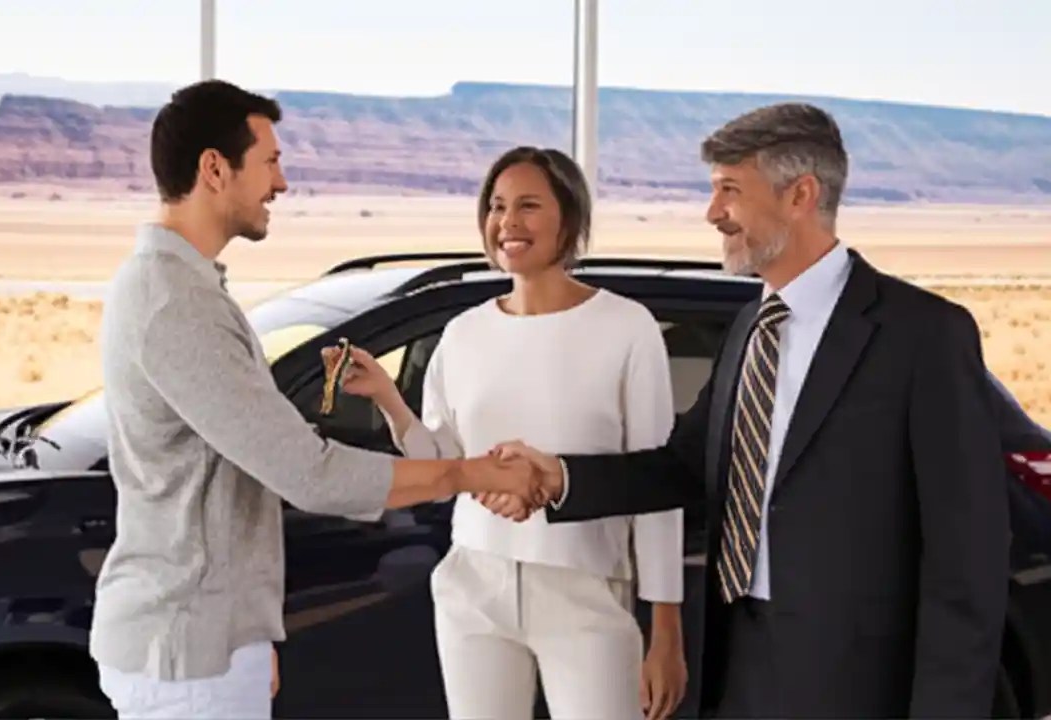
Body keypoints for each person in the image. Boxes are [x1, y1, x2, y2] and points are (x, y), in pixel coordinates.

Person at [488, 103, 1010, 718]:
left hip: (858, 687)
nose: (713, 213)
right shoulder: (750, 328)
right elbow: (687, 465)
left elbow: (965, 561)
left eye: (730, 191)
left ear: (800, 195)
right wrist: (561, 478)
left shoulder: (921, 334)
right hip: (741, 665)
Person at [89, 79, 544, 720]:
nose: (280, 183)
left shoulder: (177, 288)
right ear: (215, 169)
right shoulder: (176, 303)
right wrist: (470, 474)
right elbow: (309, 473)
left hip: (208, 642)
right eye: (269, 162)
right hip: (189, 655)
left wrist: (249, 631)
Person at [328, 146, 687, 720]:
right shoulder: (463, 334)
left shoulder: (626, 328)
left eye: (528, 206)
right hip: (474, 583)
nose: (507, 222)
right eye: (496, 206)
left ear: (569, 217)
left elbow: (657, 486)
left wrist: (666, 631)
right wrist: (390, 400)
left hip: (586, 587)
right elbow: (443, 464)